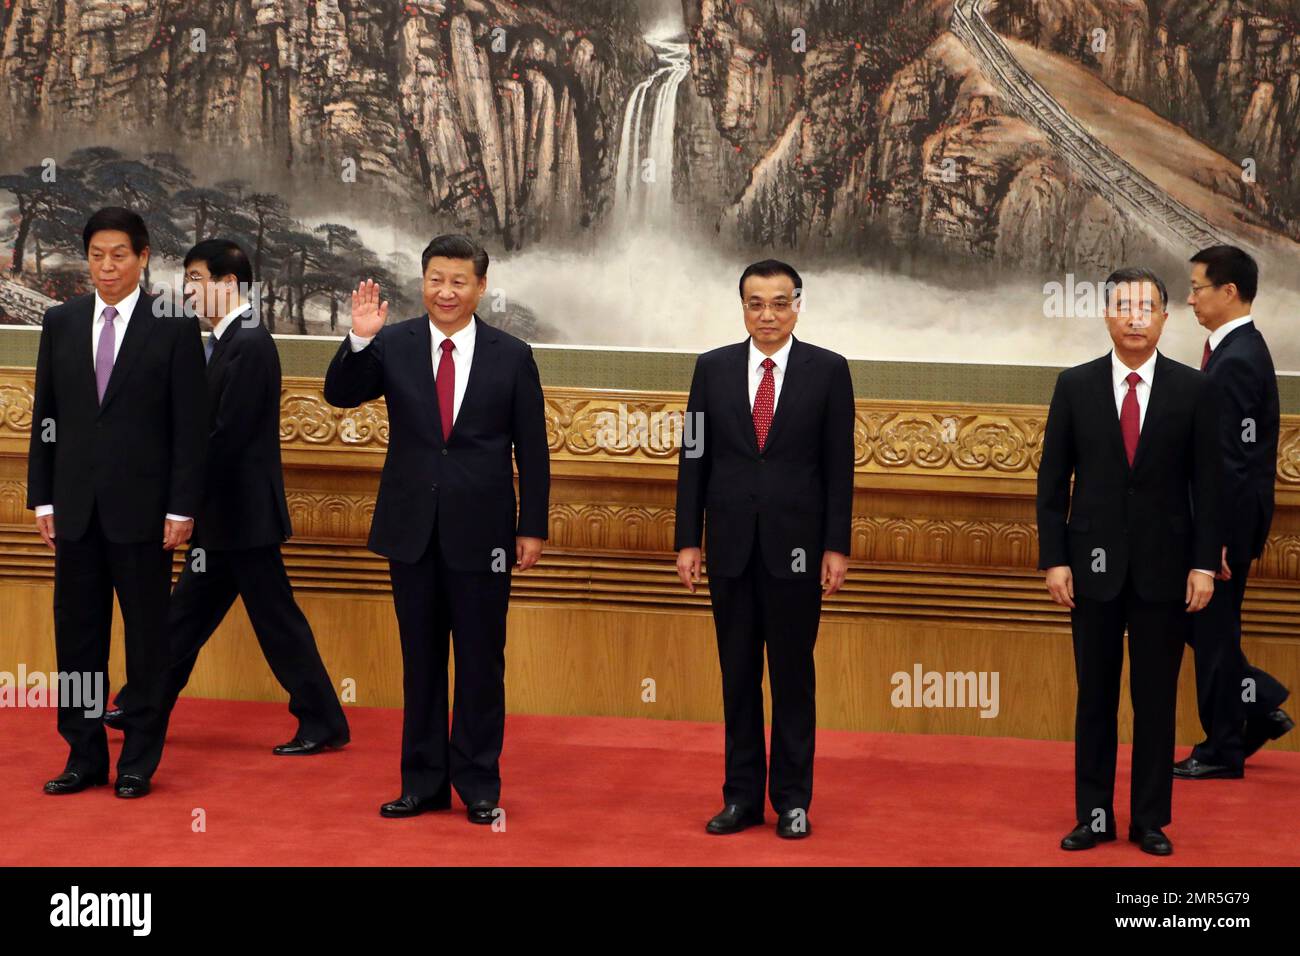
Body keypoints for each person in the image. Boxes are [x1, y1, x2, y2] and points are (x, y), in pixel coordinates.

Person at [323, 234, 549, 824]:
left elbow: (534, 450)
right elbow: (340, 394)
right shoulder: (392, 344)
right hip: (412, 529)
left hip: (486, 534)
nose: (445, 292)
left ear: (480, 287)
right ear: (422, 283)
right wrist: (358, 339)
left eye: (458, 281)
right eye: (435, 280)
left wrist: (533, 527)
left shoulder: (512, 354)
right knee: (419, 660)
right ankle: (421, 783)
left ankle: (477, 783)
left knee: (480, 660)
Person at [104, 239, 350, 761]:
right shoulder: (223, 341)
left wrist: (179, 490)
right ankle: (141, 702)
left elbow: (226, 436)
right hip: (224, 515)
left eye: (195, 279)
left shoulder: (251, 343)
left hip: (243, 515)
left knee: (274, 622)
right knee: (185, 617)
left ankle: (323, 719)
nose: (187, 290)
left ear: (228, 283)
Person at [1038, 267, 1221, 855]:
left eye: (1148, 307)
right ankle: (1093, 816)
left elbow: (1210, 485)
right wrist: (1054, 559)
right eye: (1124, 306)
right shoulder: (1075, 385)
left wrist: (1201, 563)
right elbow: (1051, 482)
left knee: (1155, 700)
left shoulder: (1194, 390)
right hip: (1088, 568)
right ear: (1107, 315)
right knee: (1094, 696)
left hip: (1166, 570)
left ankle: (1150, 820)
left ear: (1165, 317)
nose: (1136, 317)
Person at [27, 207, 208, 799]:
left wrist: (182, 508)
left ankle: (138, 760)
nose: (107, 266)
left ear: (144, 256)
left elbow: (190, 426)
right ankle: (83, 755)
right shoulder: (61, 321)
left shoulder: (174, 324)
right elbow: (46, 418)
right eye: (98, 255)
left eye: (119, 255)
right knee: (77, 638)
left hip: (146, 514)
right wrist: (42, 498)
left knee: (147, 640)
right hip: (75, 511)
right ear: (88, 258)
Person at [674, 259, 855, 839]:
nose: (767, 314)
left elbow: (839, 468)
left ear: (797, 304)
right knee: (738, 675)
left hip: (798, 551)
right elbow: (692, 459)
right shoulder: (712, 369)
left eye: (780, 303)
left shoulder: (828, 371)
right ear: (743, 306)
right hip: (728, 549)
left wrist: (835, 545)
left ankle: (794, 800)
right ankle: (741, 797)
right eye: (756, 303)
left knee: (794, 677)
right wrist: (687, 540)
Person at [1174, 245, 1292, 779]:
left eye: (1198, 288)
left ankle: (1224, 747)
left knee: (1212, 632)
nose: (1191, 298)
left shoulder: (1237, 359)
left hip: (1227, 527)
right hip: (1229, 523)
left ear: (1228, 291)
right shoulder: (1237, 350)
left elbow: (1230, 463)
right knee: (1208, 630)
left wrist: (1213, 540)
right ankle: (1259, 703)